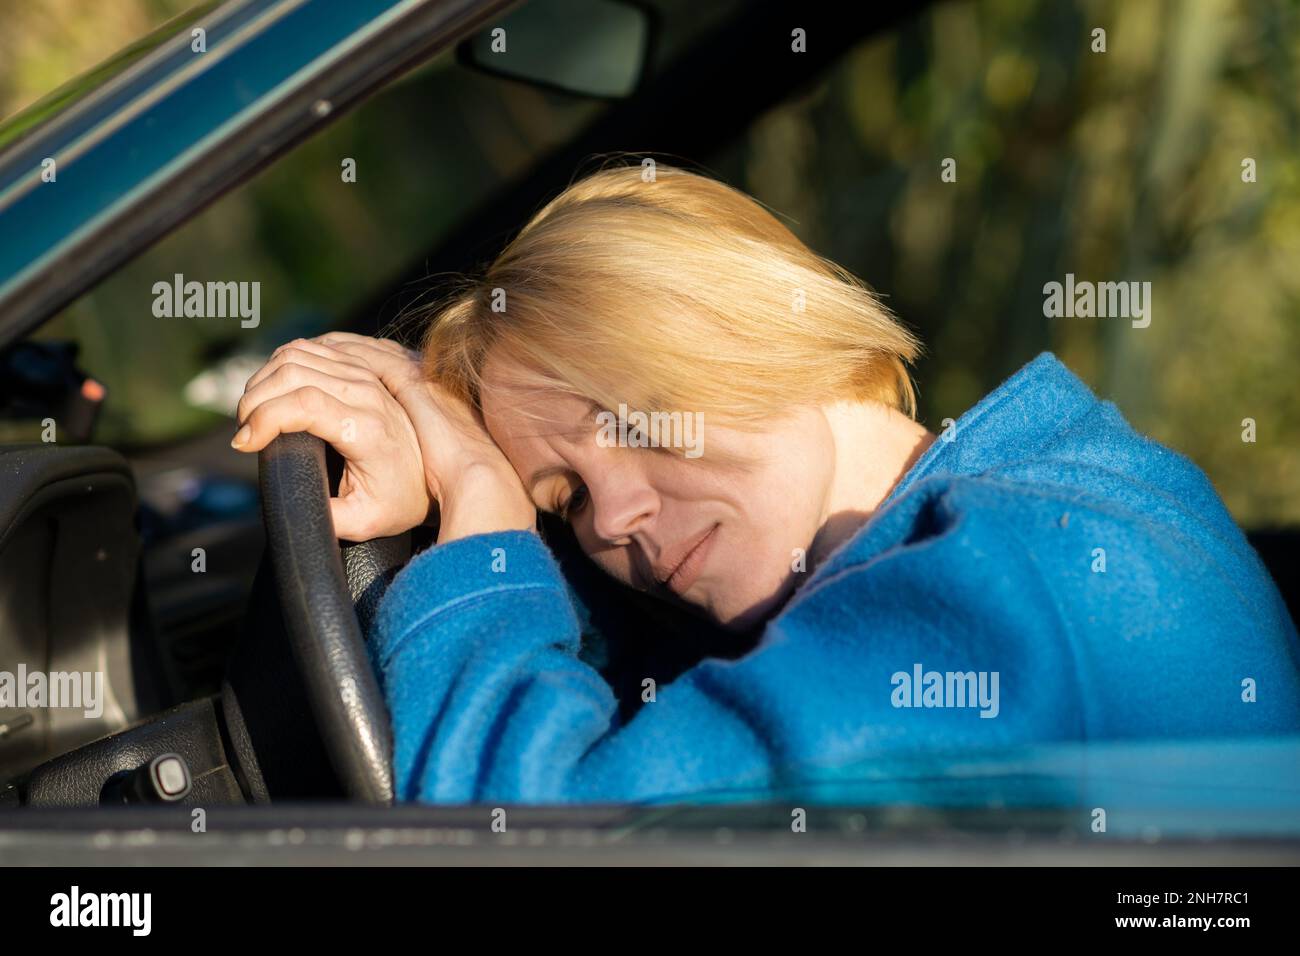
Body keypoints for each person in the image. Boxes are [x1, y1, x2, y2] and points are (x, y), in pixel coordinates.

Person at [232, 162, 1300, 803]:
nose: (613, 513)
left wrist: (479, 505)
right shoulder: (1060, 482)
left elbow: (551, 840)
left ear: (756, 329)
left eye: (635, 418)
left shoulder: (1011, 587)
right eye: (557, 494)